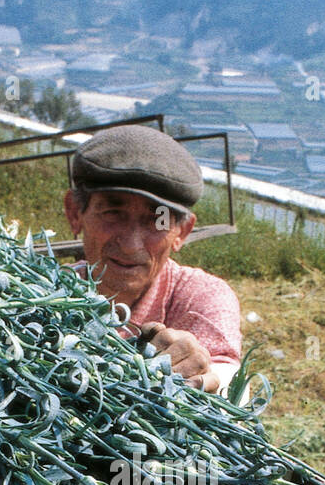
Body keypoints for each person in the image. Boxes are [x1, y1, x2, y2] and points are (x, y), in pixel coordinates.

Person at [63, 126, 242, 393]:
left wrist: (203, 373)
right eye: (113, 213)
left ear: (181, 231)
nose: (131, 244)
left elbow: (229, 381)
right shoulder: (46, 292)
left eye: (156, 221)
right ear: (76, 213)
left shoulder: (199, 296)